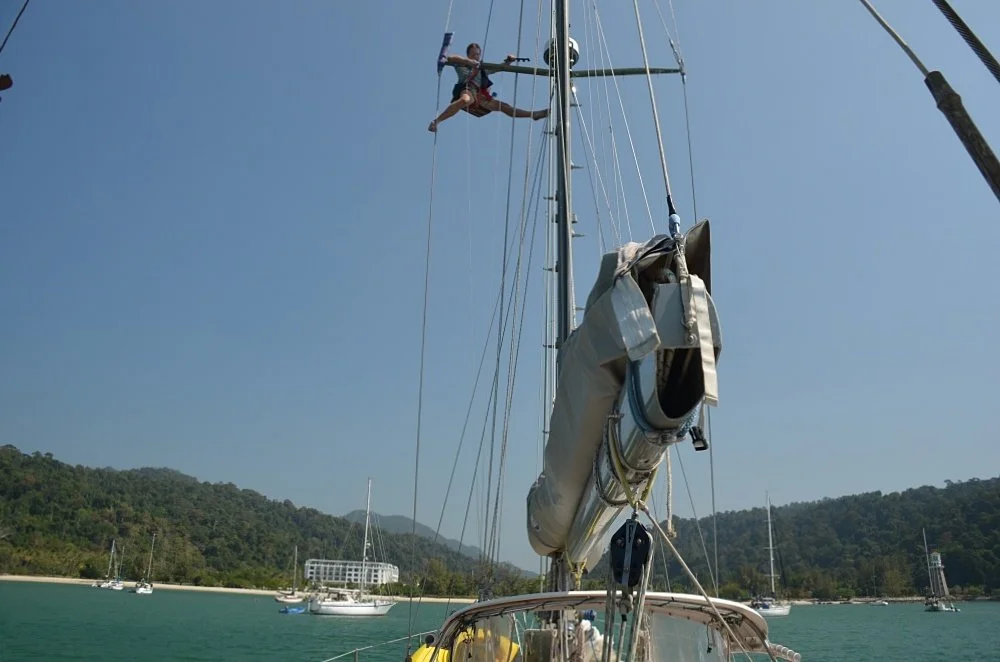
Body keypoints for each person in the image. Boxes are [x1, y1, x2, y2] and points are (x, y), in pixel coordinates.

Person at [428, 43, 548, 133]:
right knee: (465, 100)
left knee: (504, 107)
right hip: (468, 89)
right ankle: (436, 121)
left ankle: (532, 114)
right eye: (473, 54)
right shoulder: (462, 64)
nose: (476, 56)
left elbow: (501, 67)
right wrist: (469, 62)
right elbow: (450, 58)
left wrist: (509, 61)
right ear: (468, 54)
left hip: (481, 97)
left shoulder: (483, 68)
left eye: (478, 54)